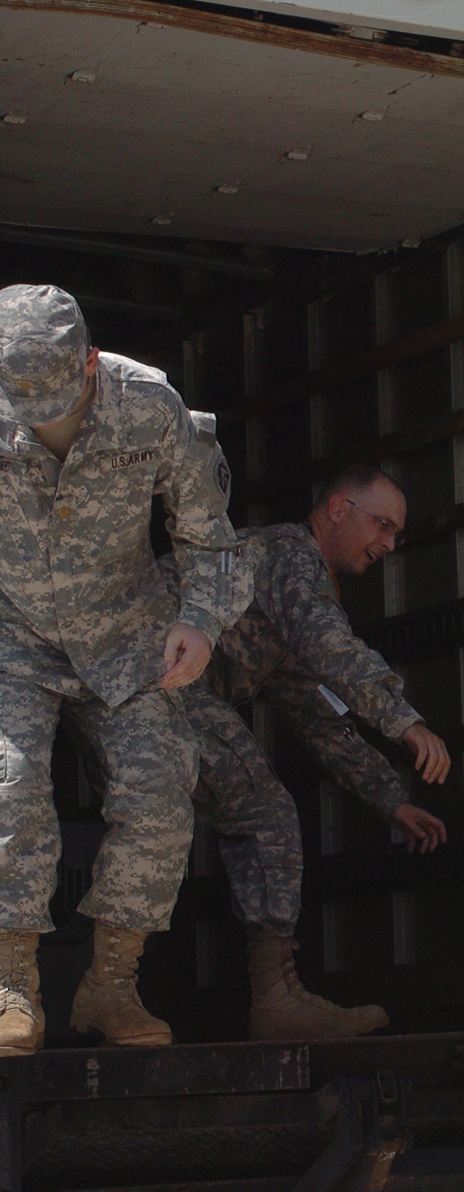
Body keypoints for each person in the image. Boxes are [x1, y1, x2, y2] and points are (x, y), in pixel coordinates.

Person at [0, 285, 244, 1054]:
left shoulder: (151, 407)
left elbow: (208, 535)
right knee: (7, 789)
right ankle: (12, 986)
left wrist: (201, 624)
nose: (39, 417)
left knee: (163, 795)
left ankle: (110, 986)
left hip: (127, 632)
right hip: (14, 633)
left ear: (91, 362)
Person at [180, 465, 451, 1039]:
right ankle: (274, 1000)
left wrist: (390, 801)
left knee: (261, 807)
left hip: (170, 693)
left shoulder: (291, 596)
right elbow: (329, 645)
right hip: (147, 683)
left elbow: (319, 713)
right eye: (383, 525)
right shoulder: (287, 555)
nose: (389, 544)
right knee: (265, 810)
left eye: (396, 534)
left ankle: (274, 993)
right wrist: (406, 721)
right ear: (336, 509)